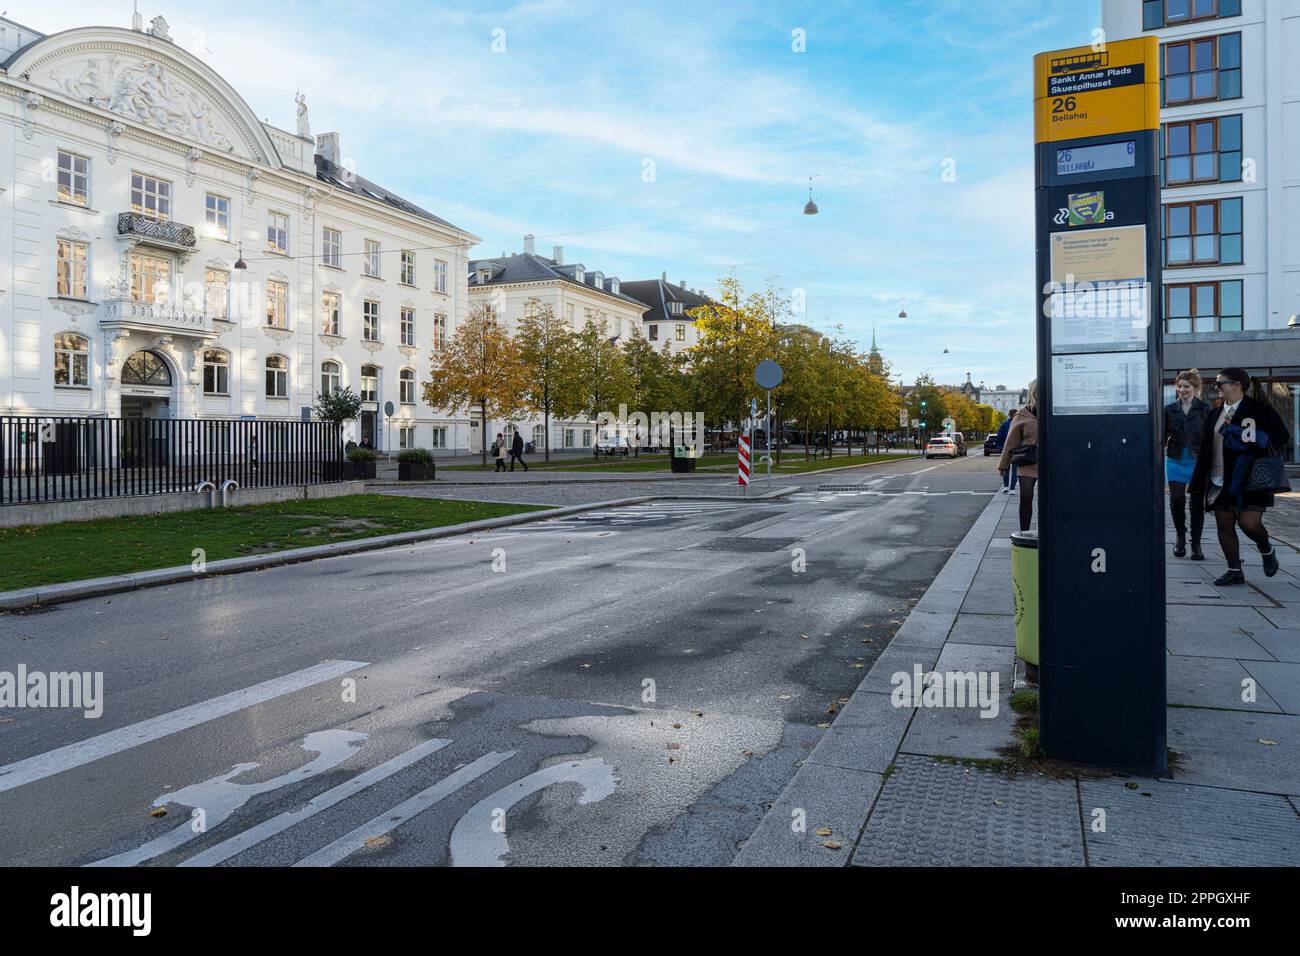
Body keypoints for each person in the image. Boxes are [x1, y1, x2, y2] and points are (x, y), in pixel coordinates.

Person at [1189, 368, 1290, 586]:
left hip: (1251, 478)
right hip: (1219, 478)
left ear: (1237, 385)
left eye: (1220, 383)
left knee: (1249, 523)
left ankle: (1266, 548)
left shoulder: (1260, 409)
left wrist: (1254, 438)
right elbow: (1206, 450)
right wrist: (1198, 483)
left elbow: (1282, 436)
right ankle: (1234, 569)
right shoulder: (1214, 414)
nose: (1217, 388)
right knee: (1224, 523)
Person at [1164, 369, 1210, 560]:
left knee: (1197, 503)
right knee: (1176, 500)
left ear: (1195, 388)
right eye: (1179, 386)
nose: (1182, 389)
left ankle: (1196, 544)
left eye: (1186, 386)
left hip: (1197, 461)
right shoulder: (1169, 409)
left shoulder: (1205, 409)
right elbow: (1160, 436)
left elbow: (1210, 437)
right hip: (1174, 460)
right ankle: (1180, 537)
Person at [997, 381, 1038, 533]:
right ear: (1033, 394)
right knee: (1026, 498)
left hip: (1050, 462)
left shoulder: (1053, 411)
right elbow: (1010, 442)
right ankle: (1025, 532)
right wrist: (1004, 465)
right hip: (1028, 461)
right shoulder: (1022, 415)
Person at [994, 410, 1017, 494]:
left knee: (1007, 469)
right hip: (1014, 449)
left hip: (1007, 449)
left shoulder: (1004, 424)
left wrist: (1000, 448)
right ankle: (1010, 488)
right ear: (1012, 415)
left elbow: (999, 437)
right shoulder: (1017, 423)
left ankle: (1008, 487)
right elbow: (999, 437)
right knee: (1011, 469)